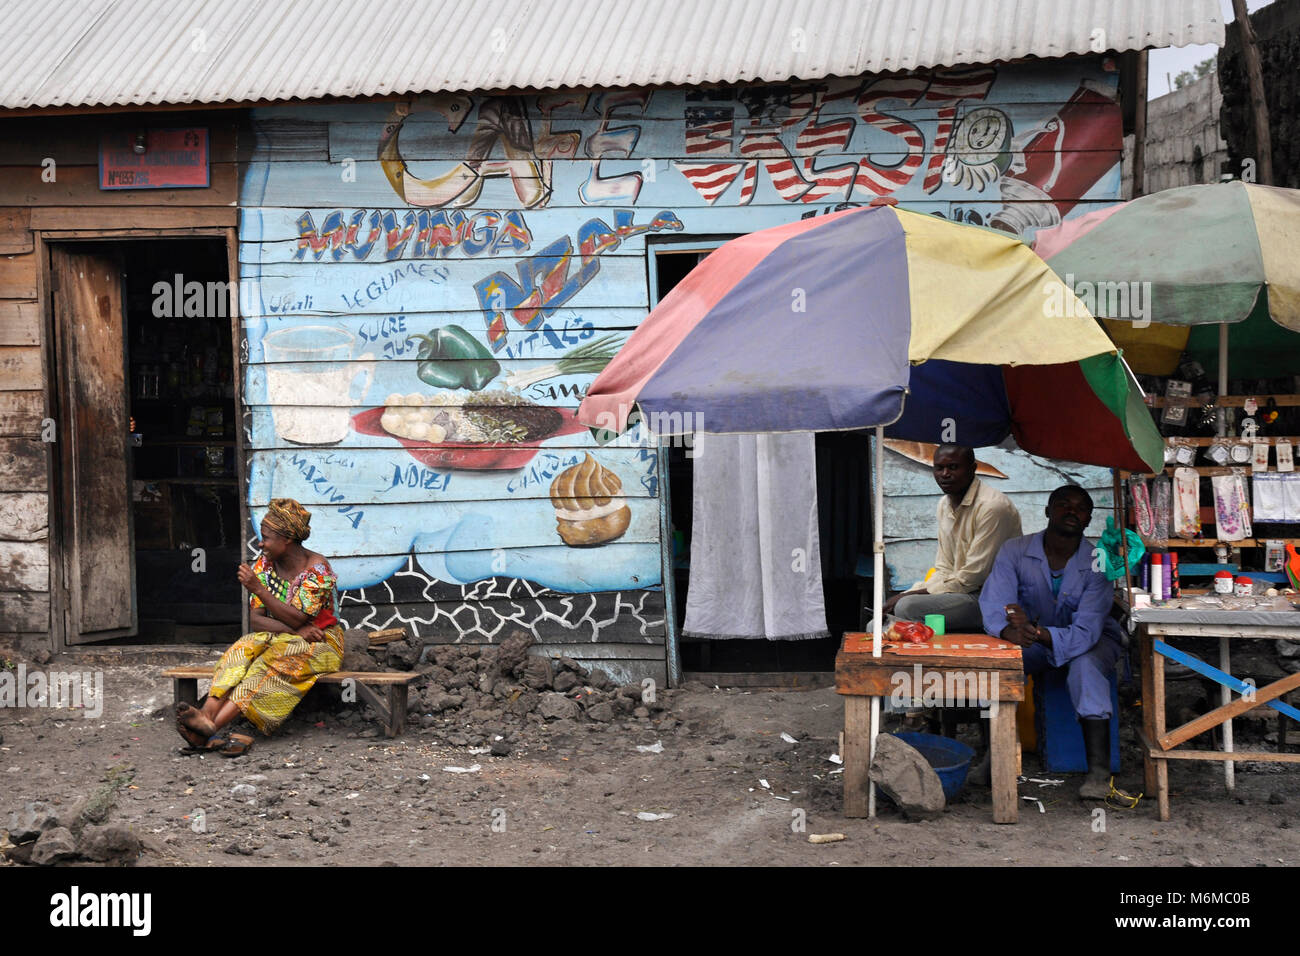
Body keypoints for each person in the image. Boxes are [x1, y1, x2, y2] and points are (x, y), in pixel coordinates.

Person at [979, 484, 1124, 799]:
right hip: (1030, 638)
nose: (1072, 511)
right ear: (1047, 510)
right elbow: (996, 604)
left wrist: (1040, 633)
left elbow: (1087, 630)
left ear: (1088, 519)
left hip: (1093, 641)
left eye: (1081, 508)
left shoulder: (1099, 561)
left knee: (1084, 667)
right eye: (1063, 504)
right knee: (999, 665)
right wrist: (1008, 632)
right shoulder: (1014, 551)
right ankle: (993, 757)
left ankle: (1098, 774)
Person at [175, 498, 344, 756]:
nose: (261, 544)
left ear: (287, 539)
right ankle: (207, 713)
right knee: (243, 647)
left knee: (272, 660)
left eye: (266, 538)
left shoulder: (316, 569)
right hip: (286, 636)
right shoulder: (264, 566)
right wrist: (293, 631)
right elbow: (256, 620)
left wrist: (258, 589)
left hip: (321, 642)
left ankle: (210, 730)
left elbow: (298, 617)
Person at [882, 444, 1022, 632]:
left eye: (953, 467)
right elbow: (944, 567)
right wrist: (907, 593)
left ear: (972, 469)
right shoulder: (944, 504)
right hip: (959, 593)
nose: (945, 474)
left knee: (906, 607)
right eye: (939, 468)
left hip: (991, 599)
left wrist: (910, 596)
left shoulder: (993, 507)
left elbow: (973, 577)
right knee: (877, 625)